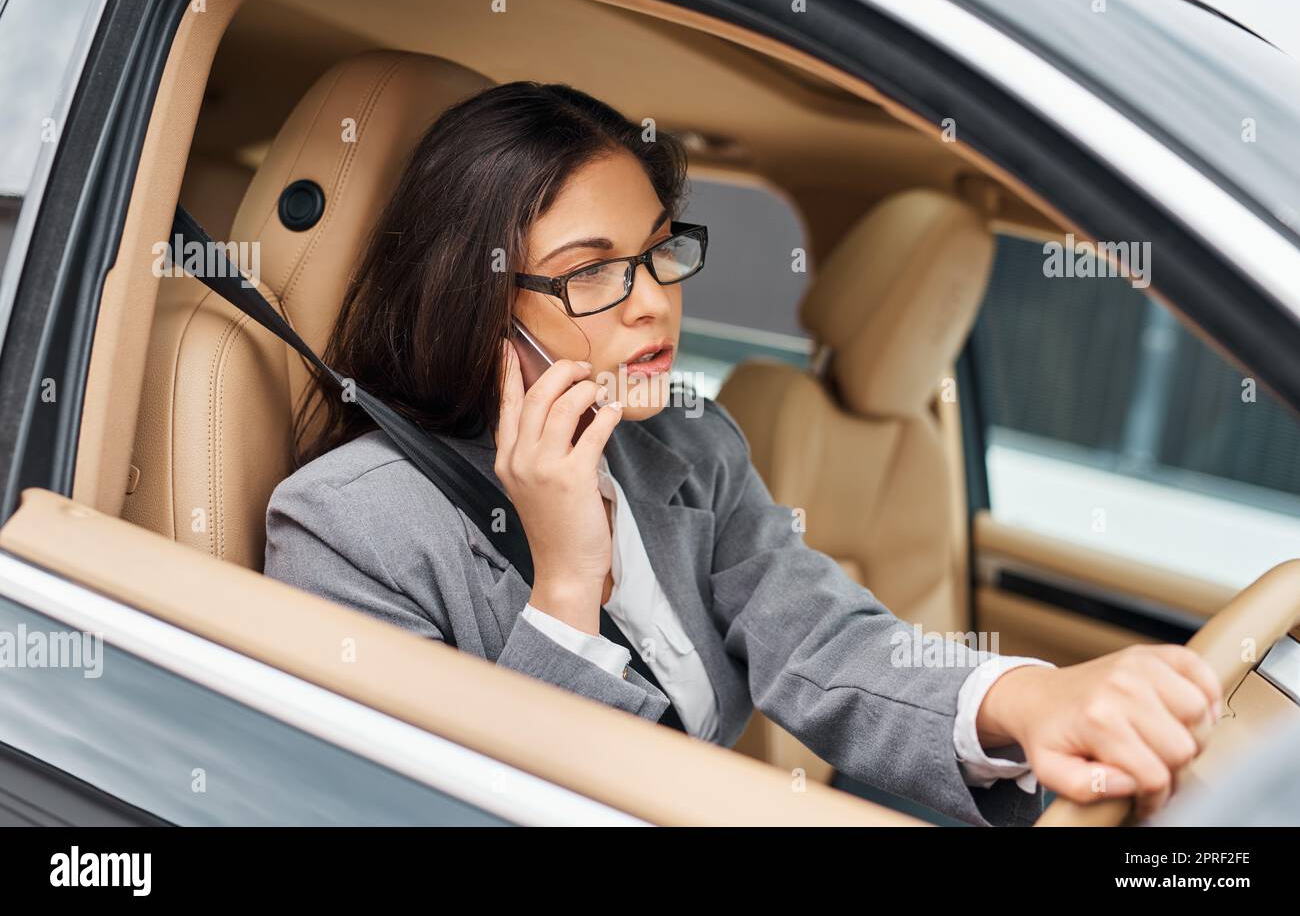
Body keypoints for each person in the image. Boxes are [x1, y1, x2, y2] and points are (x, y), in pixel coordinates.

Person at [263, 81, 1221, 826]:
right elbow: (422, 810)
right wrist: (563, 587)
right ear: (473, 303)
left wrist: (1032, 697)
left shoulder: (690, 446)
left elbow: (825, 639)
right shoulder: (347, 526)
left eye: (658, 248)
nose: (653, 300)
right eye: (593, 270)